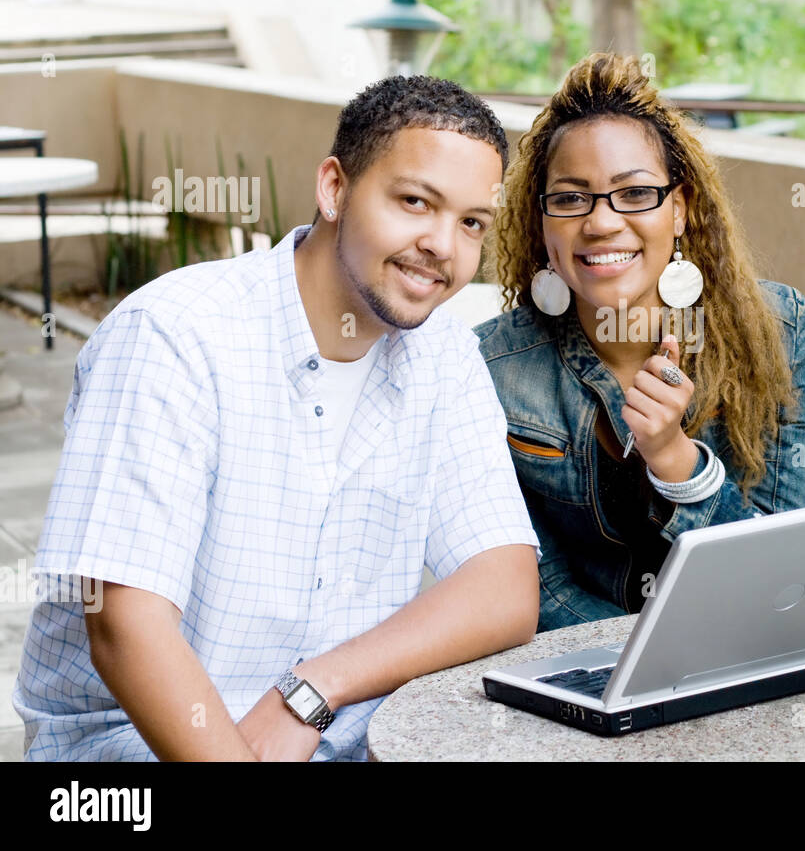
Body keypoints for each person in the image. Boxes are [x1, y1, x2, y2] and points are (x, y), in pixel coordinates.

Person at [14, 76, 540, 761]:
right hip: (134, 743)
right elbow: (123, 625)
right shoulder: (173, 336)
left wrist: (317, 686)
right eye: (415, 201)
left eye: (471, 222)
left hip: (338, 724)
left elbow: (503, 588)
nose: (444, 244)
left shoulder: (443, 351)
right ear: (334, 189)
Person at [474, 52, 805, 632]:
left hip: (743, 660)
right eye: (570, 197)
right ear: (542, 222)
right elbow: (533, 582)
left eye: (635, 193)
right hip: (579, 673)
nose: (602, 222)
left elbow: (780, 577)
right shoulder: (491, 370)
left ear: (680, 210)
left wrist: (676, 461)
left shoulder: (780, 331)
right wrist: (640, 662)